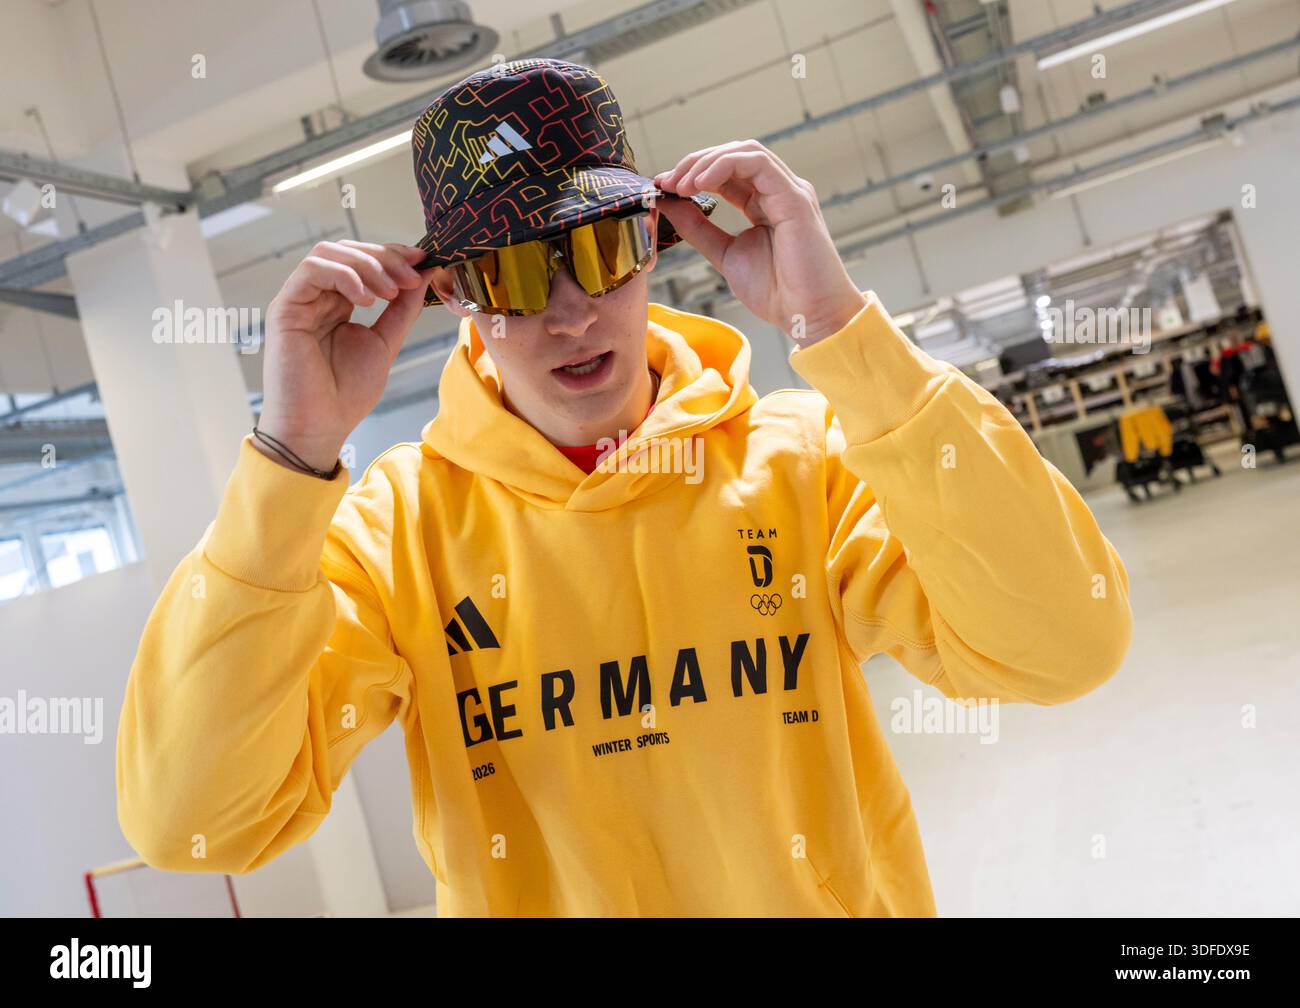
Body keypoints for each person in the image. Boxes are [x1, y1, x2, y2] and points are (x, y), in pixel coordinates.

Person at [116, 58, 1133, 917]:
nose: (569, 314)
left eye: (600, 250)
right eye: (514, 275)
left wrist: (845, 340)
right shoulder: (397, 536)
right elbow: (197, 820)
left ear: (656, 242)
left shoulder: (803, 462)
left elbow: (1062, 649)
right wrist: (291, 460)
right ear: (456, 295)